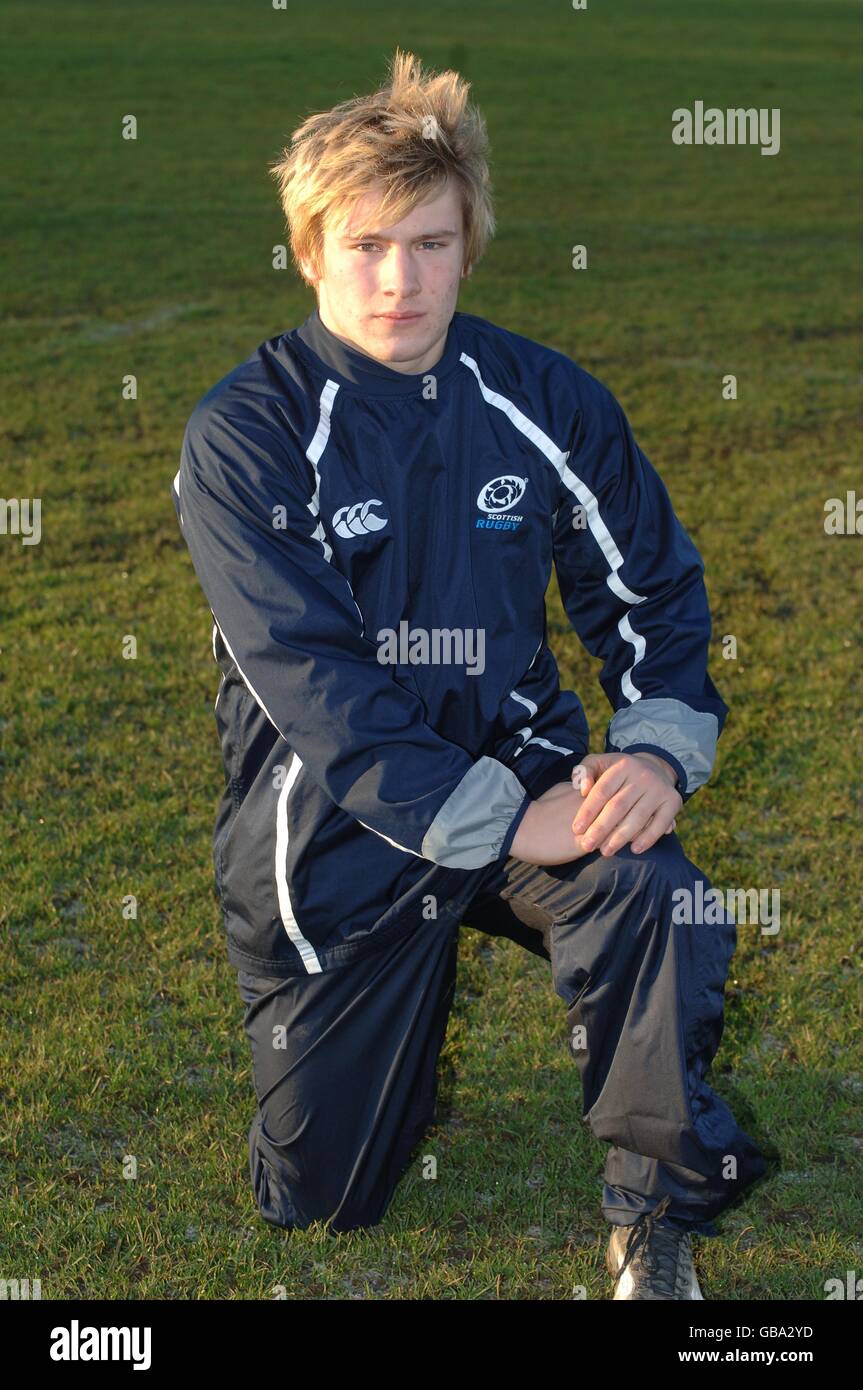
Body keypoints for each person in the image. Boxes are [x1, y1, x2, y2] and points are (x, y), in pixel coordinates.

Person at [170, 47, 767, 1299]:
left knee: (644, 882)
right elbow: (317, 683)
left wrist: (654, 749)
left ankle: (651, 1214)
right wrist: (499, 818)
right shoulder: (248, 433)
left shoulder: (539, 395)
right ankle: (399, 1010)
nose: (400, 278)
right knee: (324, 1200)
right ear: (310, 249)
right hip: (331, 833)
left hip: (517, 763)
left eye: (431, 244)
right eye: (368, 244)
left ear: (468, 244)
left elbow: (647, 585)